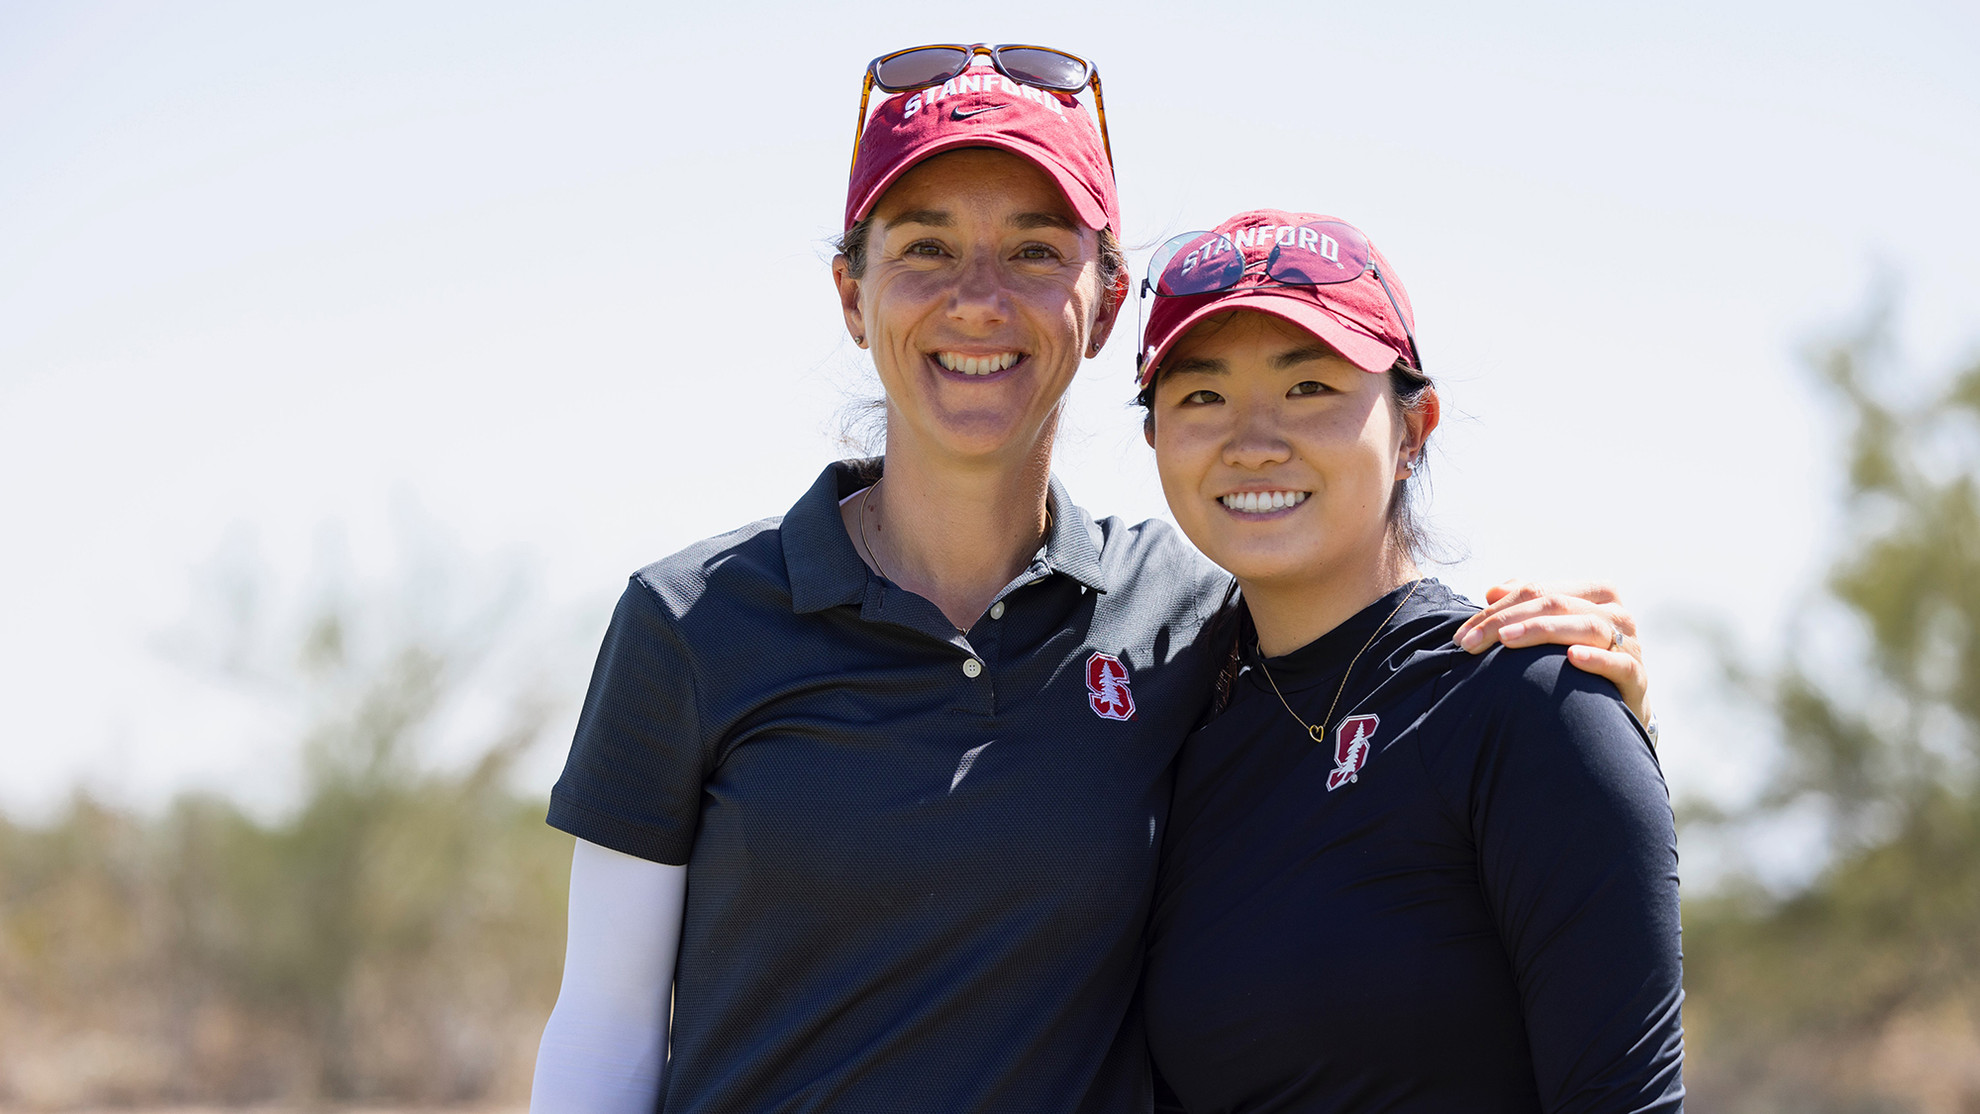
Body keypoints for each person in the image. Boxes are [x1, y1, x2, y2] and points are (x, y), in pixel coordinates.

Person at [530, 47, 1654, 1114]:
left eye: (1034, 250)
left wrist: (1589, 709)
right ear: (849, 294)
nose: (979, 299)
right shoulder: (690, 623)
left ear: (1107, 304)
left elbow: (1391, 687)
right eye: (925, 247)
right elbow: (605, 1029)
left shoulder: (1186, 613)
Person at [1133, 210, 1684, 1112]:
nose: (1254, 441)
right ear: (1156, 437)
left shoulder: (1531, 700)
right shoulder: (1163, 730)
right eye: (1202, 396)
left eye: (1308, 386)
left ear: (1413, 429)